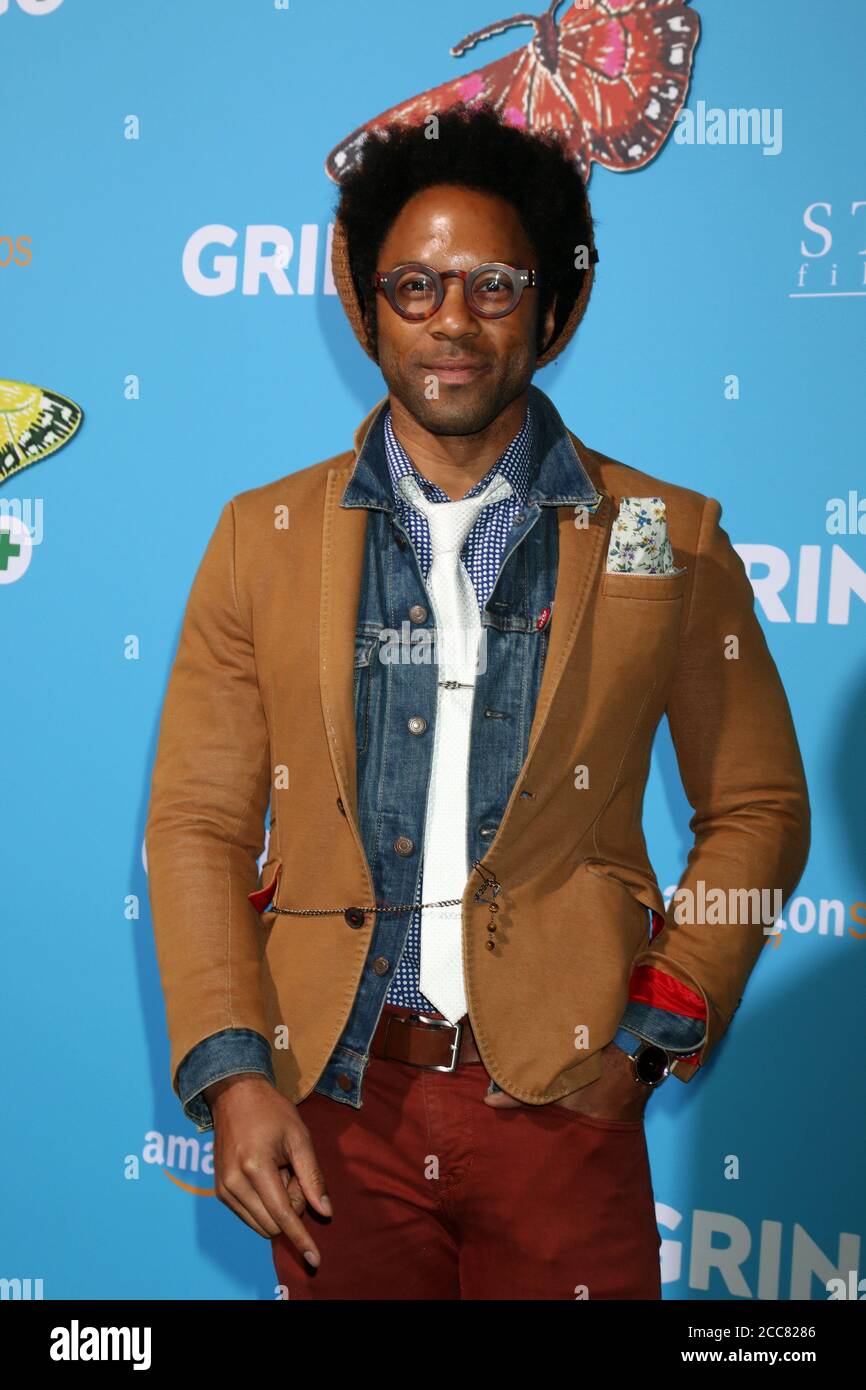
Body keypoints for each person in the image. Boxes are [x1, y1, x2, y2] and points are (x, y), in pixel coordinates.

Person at [145, 104, 810, 1300]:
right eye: (413, 286)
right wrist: (235, 1073)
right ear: (362, 306)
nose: (451, 321)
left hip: (561, 1105)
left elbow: (756, 803)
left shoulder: (662, 533)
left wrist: (648, 1038)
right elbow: (196, 822)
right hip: (333, 1106)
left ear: (554, 308)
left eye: (494, 286)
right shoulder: (263, 536)